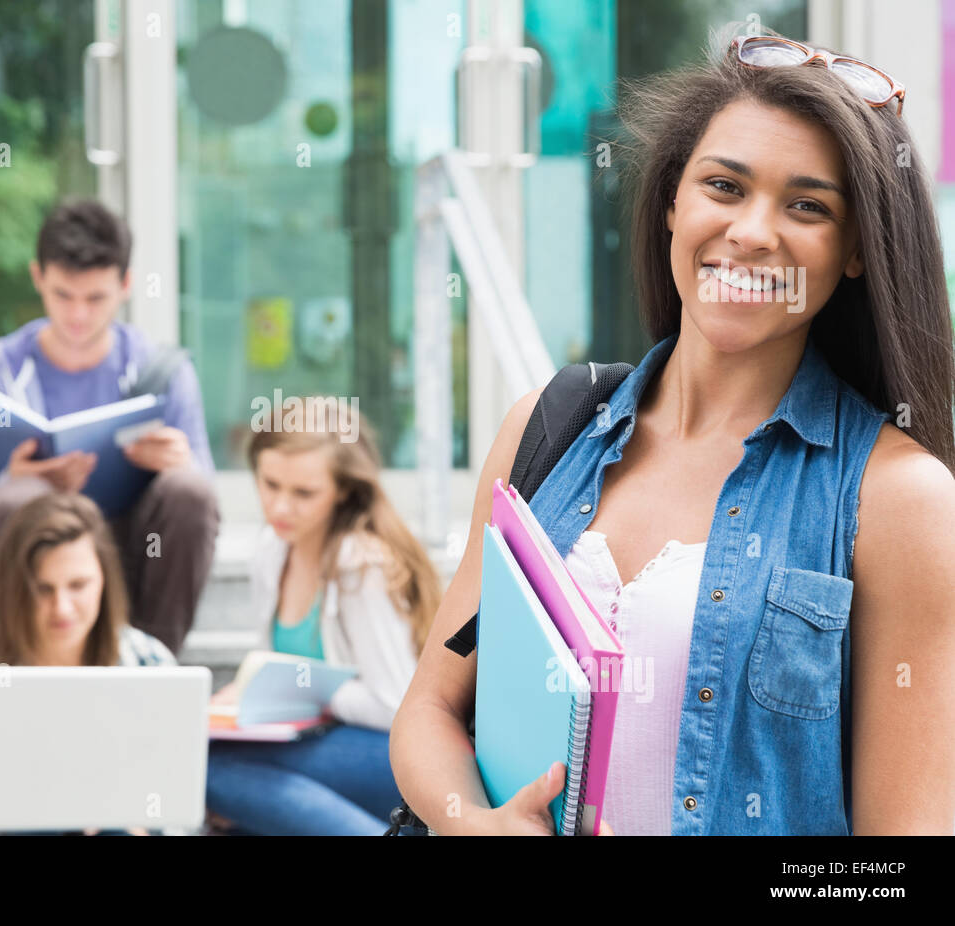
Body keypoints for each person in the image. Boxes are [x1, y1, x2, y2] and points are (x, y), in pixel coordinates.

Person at [391, 24, 955, 836]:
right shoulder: (547, 429)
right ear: (671, 203)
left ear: (857, 250)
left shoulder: (898, 498)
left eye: (806, 205)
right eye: (725, 186)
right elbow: (430, 710)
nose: (754, 231)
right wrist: (475, 825)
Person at [0, 198, 220, 656]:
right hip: (36, 566)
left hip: (130, 562)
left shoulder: (163, 372)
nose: (77, 316)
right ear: (38, 278)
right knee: (16, 499)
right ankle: (24, 665)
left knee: (190, 491)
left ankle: (154, 667)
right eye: (62, 296)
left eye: (96, 298)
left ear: (126, 285)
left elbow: (202, 499)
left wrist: (179, 463)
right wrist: (12, 483)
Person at [204, 398, 441, 835]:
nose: (279, 507)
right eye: (269, 484)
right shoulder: (272, 551)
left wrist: (313, 690)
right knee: (220, 782)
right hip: (322, 743)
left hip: (398, 757)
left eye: (303, 493)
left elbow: (395, 707)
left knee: (215, 774)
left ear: (344, 490)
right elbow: (269, 662)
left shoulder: (362, 565)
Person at [0, 491, 176, 836]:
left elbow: (177, 811)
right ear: (18, 591)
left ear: (104, 580)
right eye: (43, 589)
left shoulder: (150, 664)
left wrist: (133, 823)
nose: (62, 609)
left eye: (78, 585)